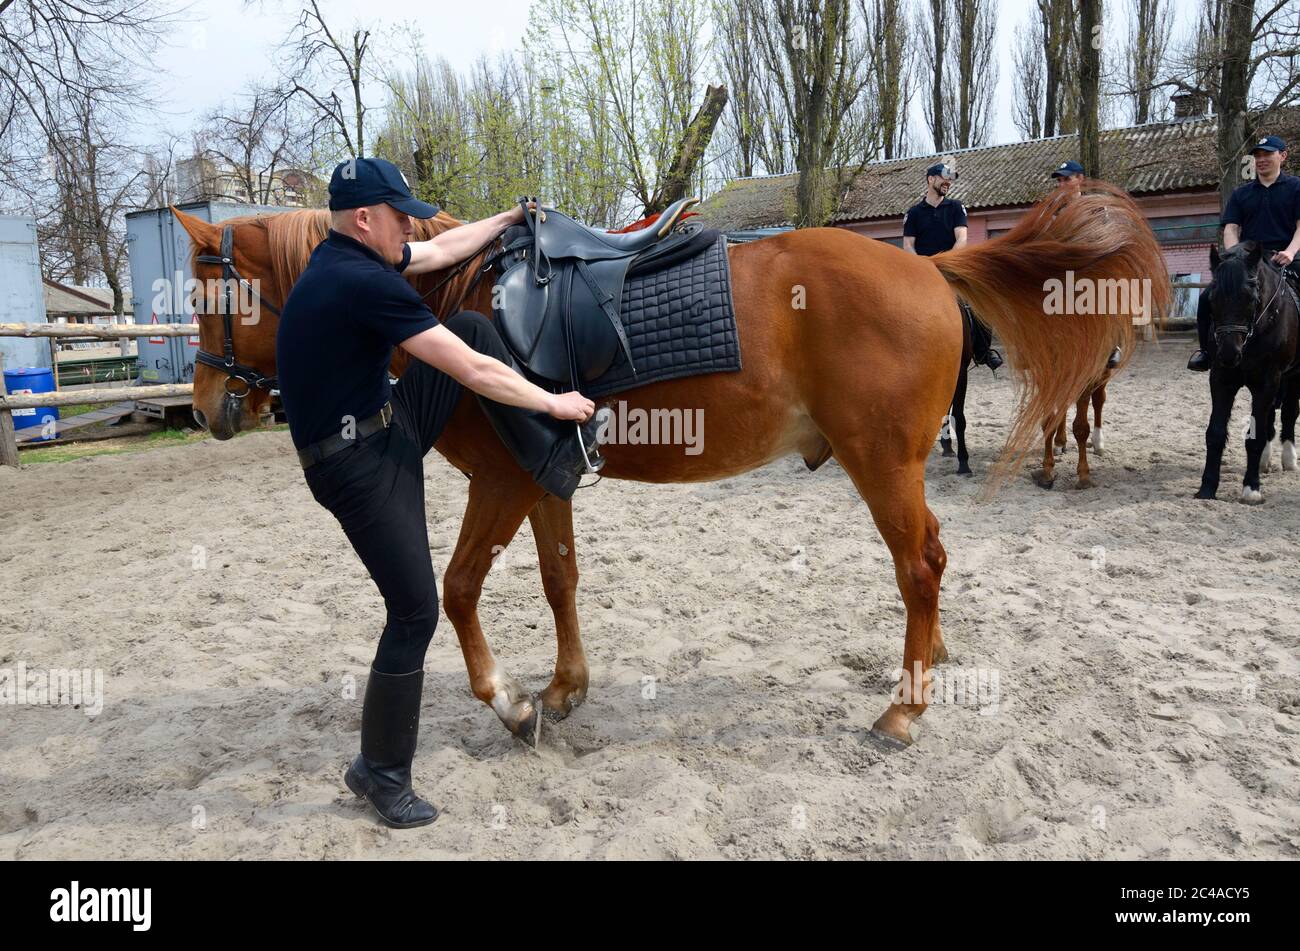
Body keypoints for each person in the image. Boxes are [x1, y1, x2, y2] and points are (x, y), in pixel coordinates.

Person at [276, 157, 602, 828]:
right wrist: (555, 400)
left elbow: (442, 248)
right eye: (400, 216)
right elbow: (473, 371)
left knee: (472, 323)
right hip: (353, 463)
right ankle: (382, 774)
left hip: (385, 422)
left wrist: (509, 218)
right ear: (365, 219)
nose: (410, 227)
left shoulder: (346, 256)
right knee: (415, 613)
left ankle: (544, 463)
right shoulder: (361, 283)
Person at [1188, 135, 1300, 371]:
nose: (1261, 159)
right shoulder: (1241, 194)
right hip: (1248, 260)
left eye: (1268, 154)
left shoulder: (1296, 187)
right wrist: (1233, 259)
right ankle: (1205, 352)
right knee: (1207, 297)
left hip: (1286, 256)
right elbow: (1231, 228)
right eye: (1257, 155)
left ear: (1283, 156)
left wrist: (1290, 252)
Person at [903, 162, 1003, 370]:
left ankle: (984, 351)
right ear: (931, 179)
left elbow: (962, 239)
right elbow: (908, 246)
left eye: (950, 179)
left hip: (950, 268)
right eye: (944, 178)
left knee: (977, 301)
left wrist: (945, 263)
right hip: (922, 270)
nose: (948, 182)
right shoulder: (913, 213)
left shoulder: (956, 207)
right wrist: (924, 265)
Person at [1051, 160, 1121, 368]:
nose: (1062, 184)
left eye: (1067, 179)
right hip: (1066, 267)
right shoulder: (1055, 213)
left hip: (1091, 264)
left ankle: (1113, 346)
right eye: (1060, 180)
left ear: (1080, 179)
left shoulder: (1096, 207)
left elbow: (1106, 235)